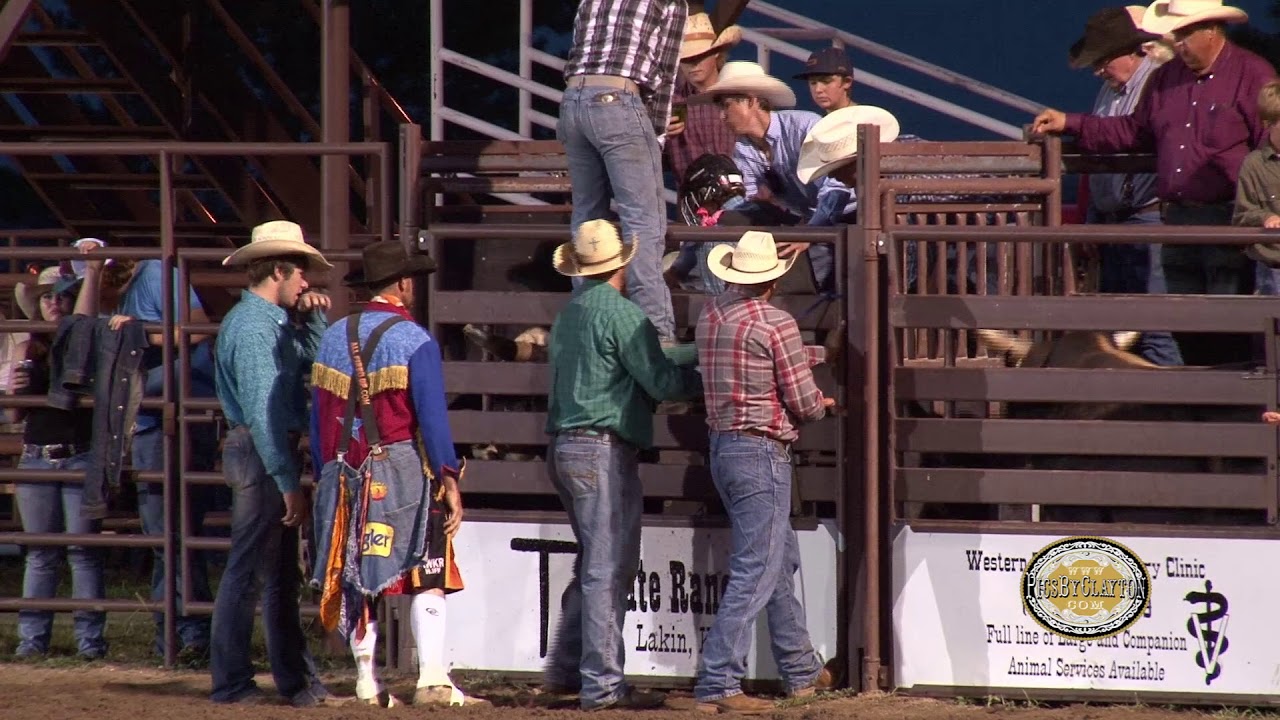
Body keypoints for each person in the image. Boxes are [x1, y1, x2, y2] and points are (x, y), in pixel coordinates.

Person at [1030, 0, 1276, 367]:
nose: (1178, 44)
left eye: (1185, 35)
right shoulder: (1168, 79)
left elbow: (1271, 147)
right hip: (1177, 220)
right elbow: (1134, 131)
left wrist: (1266, 211)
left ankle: (1230, 408)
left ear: (1211, 31)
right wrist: (1072, 123)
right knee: (1181, 321)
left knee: (1231, 321)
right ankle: (1195, 404)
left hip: (1228, 220)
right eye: (1176, 35)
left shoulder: (1251, 75)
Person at [309, 240, 486, 708]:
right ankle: (431, 679)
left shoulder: (332, 337)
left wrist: (324, 473)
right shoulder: (415, 340)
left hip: (341, 471)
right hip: (401, 467)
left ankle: (367, 683)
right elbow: (432, 416)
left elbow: (318, 417)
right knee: (427, 566)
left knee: (353, 571)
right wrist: (449, 477)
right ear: (404, 283)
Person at [541, 219, 703, 711]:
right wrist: (710, 374)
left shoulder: (569, 315)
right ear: (622, 264)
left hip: (564, 447)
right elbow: (660, 381)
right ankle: (602, 685)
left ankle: (571, 668)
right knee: (608, 569)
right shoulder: (626, 316)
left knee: (593, 563)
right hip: (602, 451)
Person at [687, 230, 835, 713]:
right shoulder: (777, 324)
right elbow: (803, 402)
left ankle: (800, 669)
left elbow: (759, 358)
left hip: (724, 448)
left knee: (775, 562)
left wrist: (815, 355)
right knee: (758, 568)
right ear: (772, 280)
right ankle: (718, 682)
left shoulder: (711, 316)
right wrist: (822, 400)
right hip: (761, 453)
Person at [208, 220, 348, 707]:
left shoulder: (266, 323)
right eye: (301, 275)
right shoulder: (253, 329)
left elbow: (314, 366)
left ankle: (292, 683)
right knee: (251, 572)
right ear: (281, 271)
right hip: (263, 451)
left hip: (260, 450)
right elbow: (265, 410)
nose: (307, 283)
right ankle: (235, 682)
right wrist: (287, 481)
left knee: (270, 574)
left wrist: (311, 322)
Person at [102, 246, 220, 662]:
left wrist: (140, 332)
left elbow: (197, 328)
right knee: (165, 535)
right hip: (151, 421)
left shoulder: (152, 275)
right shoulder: (117, 295)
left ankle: (187, 636)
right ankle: (176, 634)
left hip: (179, 418)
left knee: (174, 534)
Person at [690, 62, 884, 294]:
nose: (722, 116)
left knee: (845, 291)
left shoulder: (803, 126)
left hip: (851, 218)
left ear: (751, 101)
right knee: (736, 217)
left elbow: (834, 189)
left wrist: (809, 233)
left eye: (727, 106)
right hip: (811, 222)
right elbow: (749, 197)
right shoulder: (744, 148)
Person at [559, 0, 688, 344]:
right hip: (619, 98)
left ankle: (586, 325)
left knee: (587, 217)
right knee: (643, 223)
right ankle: (656, 338)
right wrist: (654, 137)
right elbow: (665, 72)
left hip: (572, 101)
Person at [1069, 6, 1182, 366]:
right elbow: (1098, 155)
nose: (1099, 70)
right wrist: (1092, 220)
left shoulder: (1157, 83)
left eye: (1103, 60)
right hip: (1115, 217)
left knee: (1153, 323)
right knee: (1117, 323)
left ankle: (1173, 401)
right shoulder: (1110, 91)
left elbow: (1130, 139)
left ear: (1133, 52)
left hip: (1146, 214)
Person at [10, 256, 105, 660]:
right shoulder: (28, 347)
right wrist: (14, 391)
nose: (53, 302)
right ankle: (33, 642)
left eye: (62, 295)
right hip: (37, 456)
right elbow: (14, 415)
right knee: (43, 553)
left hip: (75, 455)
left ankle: (89, 644)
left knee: (80, 552)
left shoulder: (86, 343)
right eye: (47, 296)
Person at [664, 12, 743, 294]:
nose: (692, 65)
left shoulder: (738, 97)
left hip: (738, 205)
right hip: (693, 212)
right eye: (685, 59)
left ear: (717, 56)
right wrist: (659, 133)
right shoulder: (669, 104)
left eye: (699, 57)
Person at [1233, 80, 1280, 290]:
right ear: (1269, 123)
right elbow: (1241, 216)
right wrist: (1265, 217)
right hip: (1273, 268)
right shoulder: (1254, 164)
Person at [794, 47, 855, 114]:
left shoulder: (865, 119)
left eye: (826, 81)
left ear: (847, 82)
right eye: (813, 83)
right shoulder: (815, 122)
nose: (818, 90)